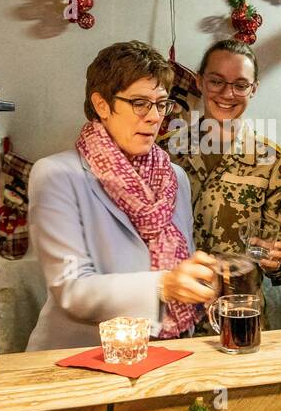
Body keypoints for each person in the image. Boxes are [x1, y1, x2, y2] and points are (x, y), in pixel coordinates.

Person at [26, 41, 217, 351]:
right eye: (140, 103)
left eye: (161, 103)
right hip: (79, 359)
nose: (155, 117)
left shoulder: (175, 178)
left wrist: (201, 280)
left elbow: (181, 264)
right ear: (102, 105)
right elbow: (72, 289)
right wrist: (162, 285)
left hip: (163, 353)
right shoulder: (56, 174)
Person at [167, 39, 281, 291]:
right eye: (216, 81)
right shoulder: (165, 153)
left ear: (254, 89)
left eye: (240, 85)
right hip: (175, 318)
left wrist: (276, 260)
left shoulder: (271, 163)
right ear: (199, 81)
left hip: (240, 315)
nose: (228, 94)